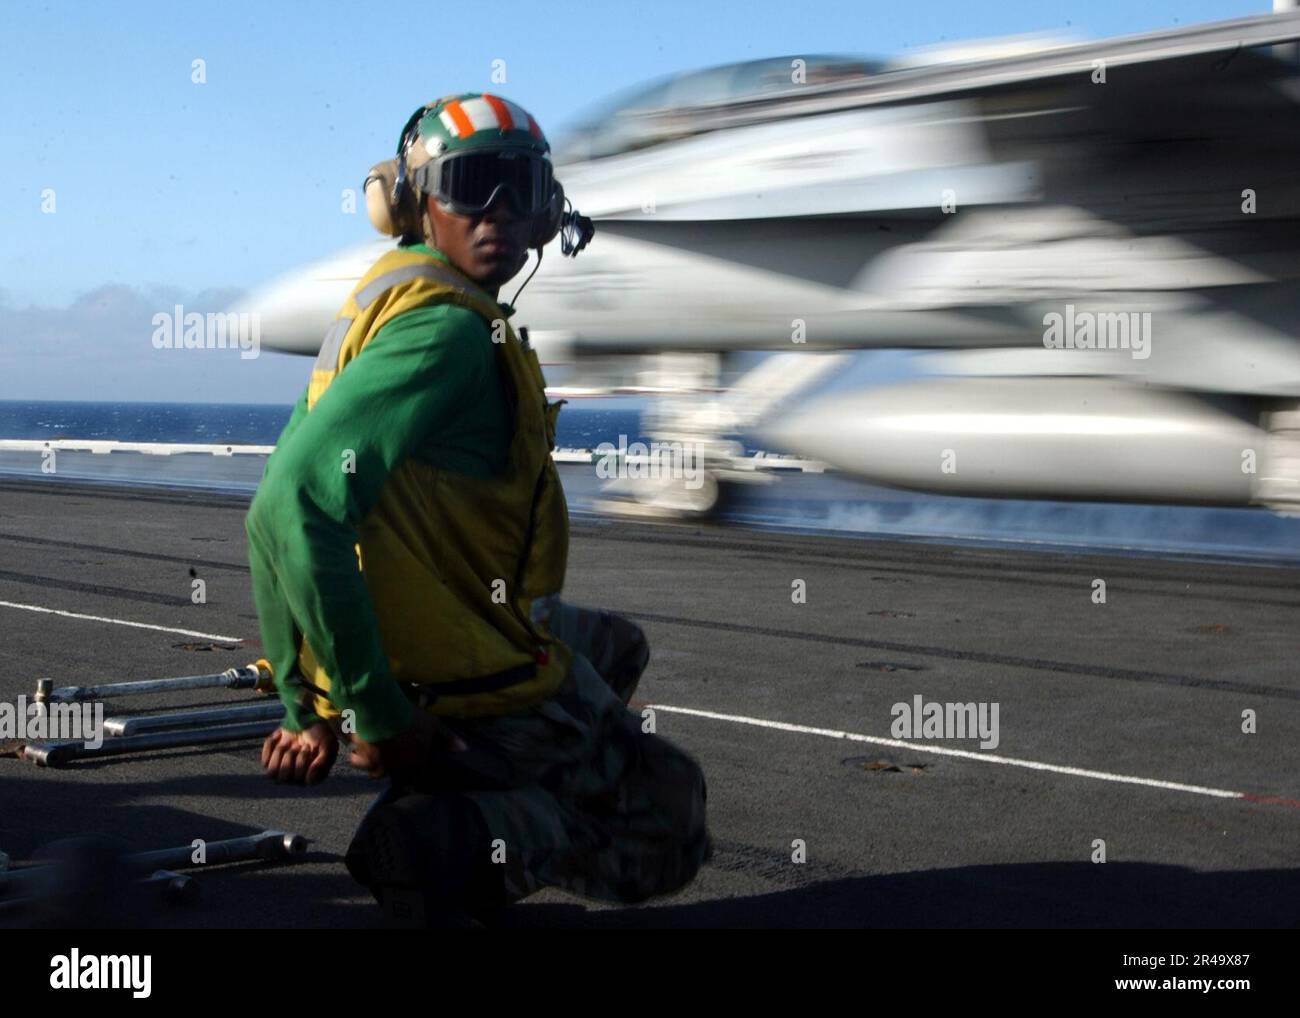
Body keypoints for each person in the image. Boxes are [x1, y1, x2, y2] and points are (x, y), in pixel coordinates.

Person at [244, 92, 709, 926]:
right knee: (671, 815)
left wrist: (306, 705)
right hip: (453, 667)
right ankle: (447, 838)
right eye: (470, 185)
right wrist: (374, 714)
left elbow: (270, 508)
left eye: (520, 188)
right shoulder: (447, 336)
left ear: (546, 212)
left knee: (615, 646)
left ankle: (451, 790)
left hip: (418, 635)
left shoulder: (385, 302)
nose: (497, 213)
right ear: (419, 202)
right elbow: (290, 508)